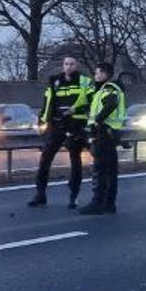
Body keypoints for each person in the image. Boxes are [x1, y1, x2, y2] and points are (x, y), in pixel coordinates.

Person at [29, 55, 92, 207]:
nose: (68, 66)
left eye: (72, 63)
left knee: (75, 159)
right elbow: (47, 104)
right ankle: (40, 194)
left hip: (75, 124)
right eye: (66, 64)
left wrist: (76, 109)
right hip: (56, 124)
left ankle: (73, 196)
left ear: (76, 66)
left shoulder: (85, 82)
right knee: (45, 158)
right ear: (63, 66)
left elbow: (91, 102)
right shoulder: (55, 82)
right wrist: (41, 122)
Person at [78, 61, 125, 215]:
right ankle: (109, 204)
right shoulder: (112, 89)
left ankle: (97, 203)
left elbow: (110, 105)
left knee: (100, 170)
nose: (96, 76)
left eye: (98, 73)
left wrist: (96, 122)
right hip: (112, 134)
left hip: (103, 133)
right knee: (111, 171)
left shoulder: (109, 89)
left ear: (105, 74)